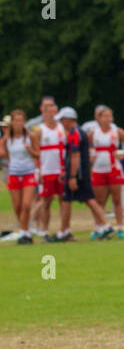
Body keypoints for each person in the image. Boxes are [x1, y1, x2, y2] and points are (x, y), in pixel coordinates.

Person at [58, 106, 107, 241]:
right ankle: (64, 231)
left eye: (62, 120)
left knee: (83, 199)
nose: (62, 123)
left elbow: (75, 156)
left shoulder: (74, 133)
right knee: (75, 200)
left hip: (78, 174)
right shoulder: (79, 132)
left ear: (68, 120)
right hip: (79, 172)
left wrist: (72, 176)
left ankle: (64, 231)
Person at [88, 105, 124, 236]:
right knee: (99, 201)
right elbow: (86, 146)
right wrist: (91, 155)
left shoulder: (117, 131)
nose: (108, 119)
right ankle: (98, 227)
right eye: (105, 116)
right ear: (99, 118)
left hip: (113, 168)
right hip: (98, 169)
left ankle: (119, 227)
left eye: (110, 116)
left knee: (117, 199)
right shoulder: (94, 133)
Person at [32, 97, 68, 241]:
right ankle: (45, 231)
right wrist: (37, 171)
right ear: (44, 112)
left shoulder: (62, 129)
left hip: (61, 171)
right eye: (49, 111)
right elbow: (35, 153)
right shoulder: (39, 131)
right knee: (46, 202)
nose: (52, 115)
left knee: (64, 201)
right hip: (46, 171)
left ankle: (63, 230)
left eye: (54, 112)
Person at [5, 108, 38, 243]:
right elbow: (7, 155)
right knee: (17, 206)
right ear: (12, 122)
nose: (18, 123)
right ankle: (24, 232)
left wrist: (30, 150)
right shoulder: (7, 138)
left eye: (20, 120)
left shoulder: (31, 136)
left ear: (24, 122)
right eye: (15, 120)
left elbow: (38, 154)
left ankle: (25, 233)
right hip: (14, 174)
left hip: (28, 173)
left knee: (26, 205)